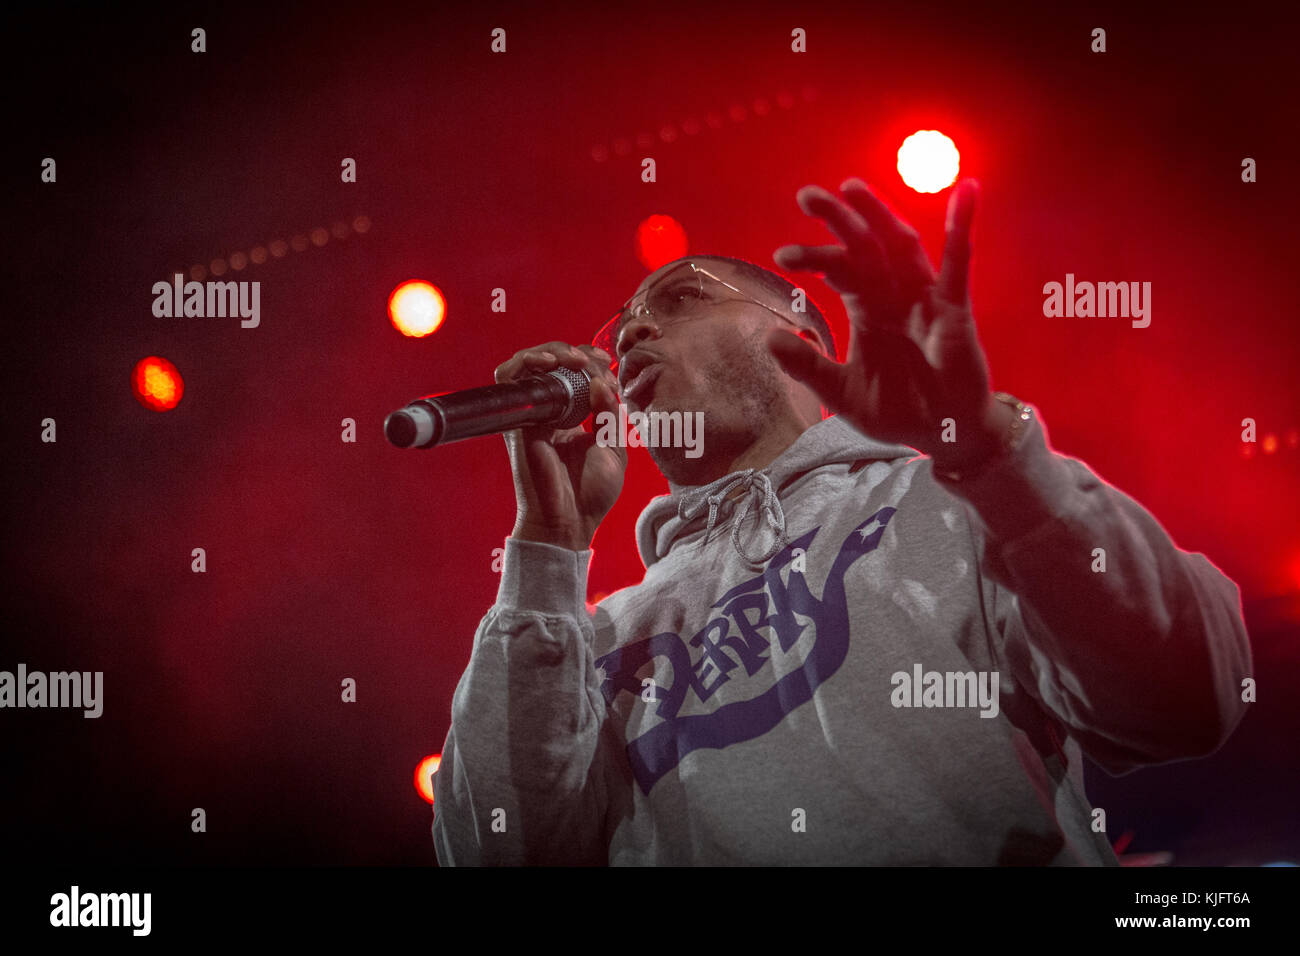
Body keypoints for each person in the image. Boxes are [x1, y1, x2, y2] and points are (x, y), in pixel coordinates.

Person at [431, 177, 1253, 865]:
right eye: (622, 328)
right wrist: (549, 544)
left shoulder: (951, 503)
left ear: (796, 331)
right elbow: (496, 851)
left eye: (678, 298)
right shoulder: (600, 638)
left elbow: (1184, 696)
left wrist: (993, 455)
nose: (634, 332)